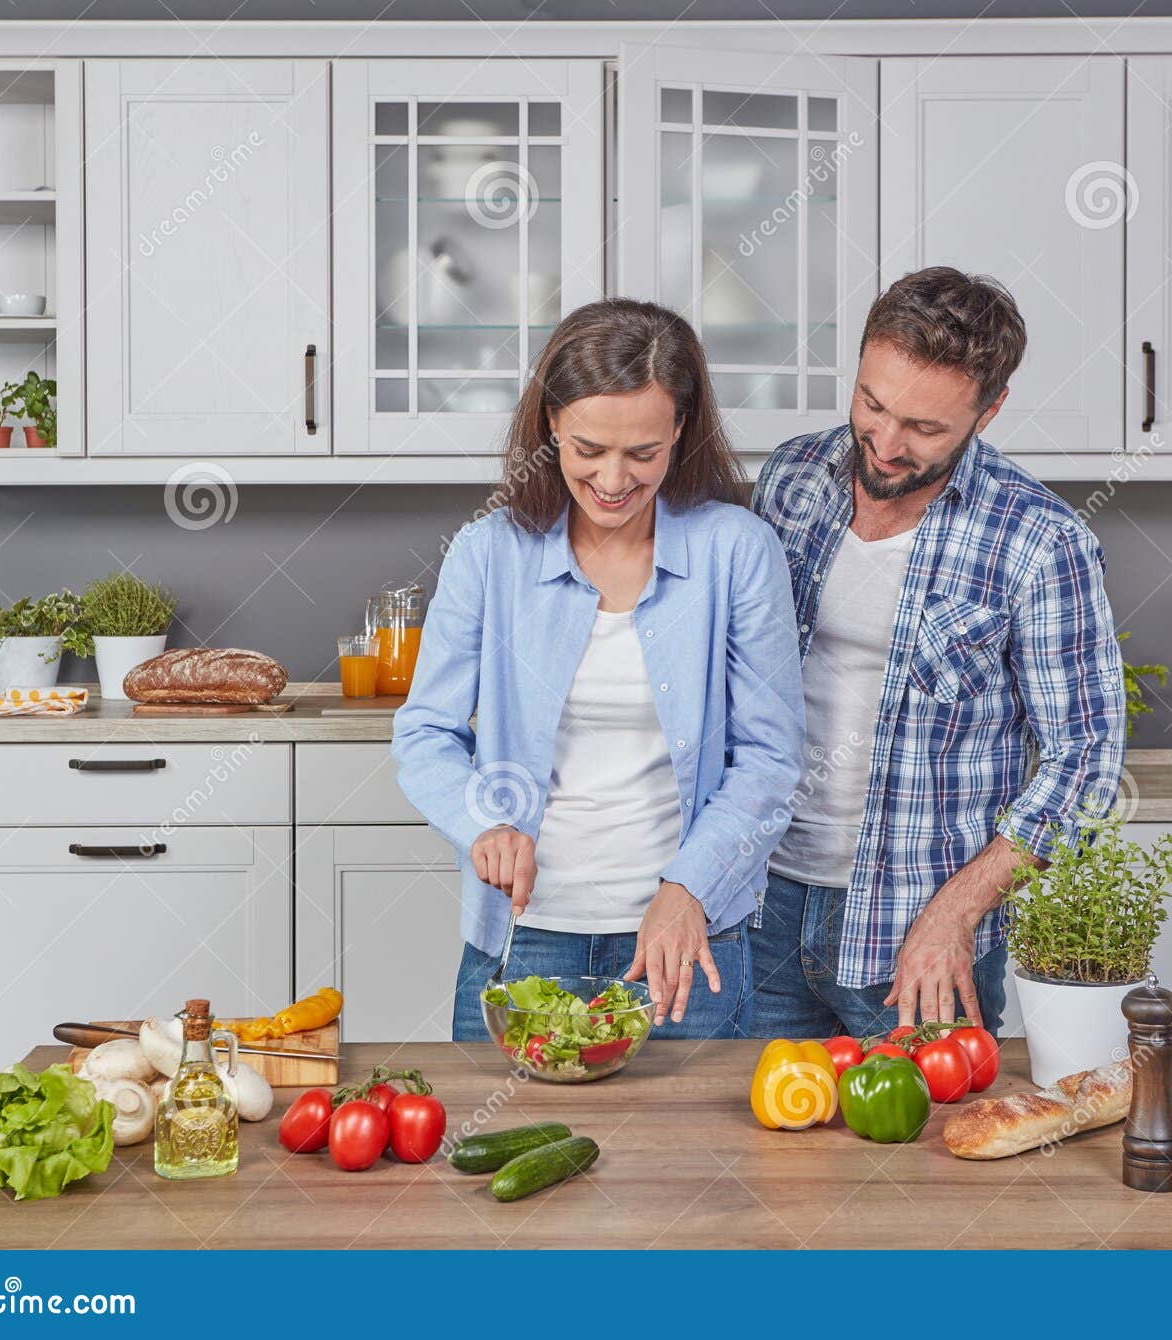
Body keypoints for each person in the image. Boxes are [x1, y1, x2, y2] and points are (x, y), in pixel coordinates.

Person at [394, 299, 805, 1042]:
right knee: (502, 1155)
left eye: (643, 453)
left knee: (687, 1160)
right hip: (527, 938)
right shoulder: (489, 553)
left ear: (681, 429)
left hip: (686, 939)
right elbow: (425, 731)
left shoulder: (737, 552)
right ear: (550, 423)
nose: (613, 479)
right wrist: (482, 821)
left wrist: (691, 888)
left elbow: (772, 760)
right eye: (589, 448)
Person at [748, 267, 1127, 1038]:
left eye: (924, 428)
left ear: (990, 410)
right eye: (872, 404)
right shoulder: (791, 480)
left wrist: (958, 911)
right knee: (761, 1150)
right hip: (759, 904)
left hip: (919, 923)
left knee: (920, 1155)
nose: (885, 444)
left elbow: (1086, 763)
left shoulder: (1040, 541)